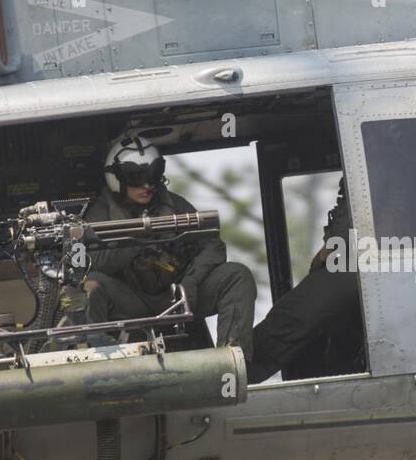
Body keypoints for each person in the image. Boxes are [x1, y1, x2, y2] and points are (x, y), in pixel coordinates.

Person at [59, 134, 256, 358]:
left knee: (237, 275)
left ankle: (232, 358)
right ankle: (94, 365)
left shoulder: (174, 205)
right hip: (131, 300)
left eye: (153, 175)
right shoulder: (99, 215)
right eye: (135, 177)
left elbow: (213, 246)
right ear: (117, 177)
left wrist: (191, 281)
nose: (147, 185)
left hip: (178, 295)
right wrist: (136, 238)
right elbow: (93, 264)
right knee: (90, 287)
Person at [246, 177, 364, 384]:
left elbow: (343, 242)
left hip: (358, 265)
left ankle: (227, 376)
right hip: (358, 263)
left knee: (288, 319)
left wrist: (321, 257)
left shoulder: (366, 179)